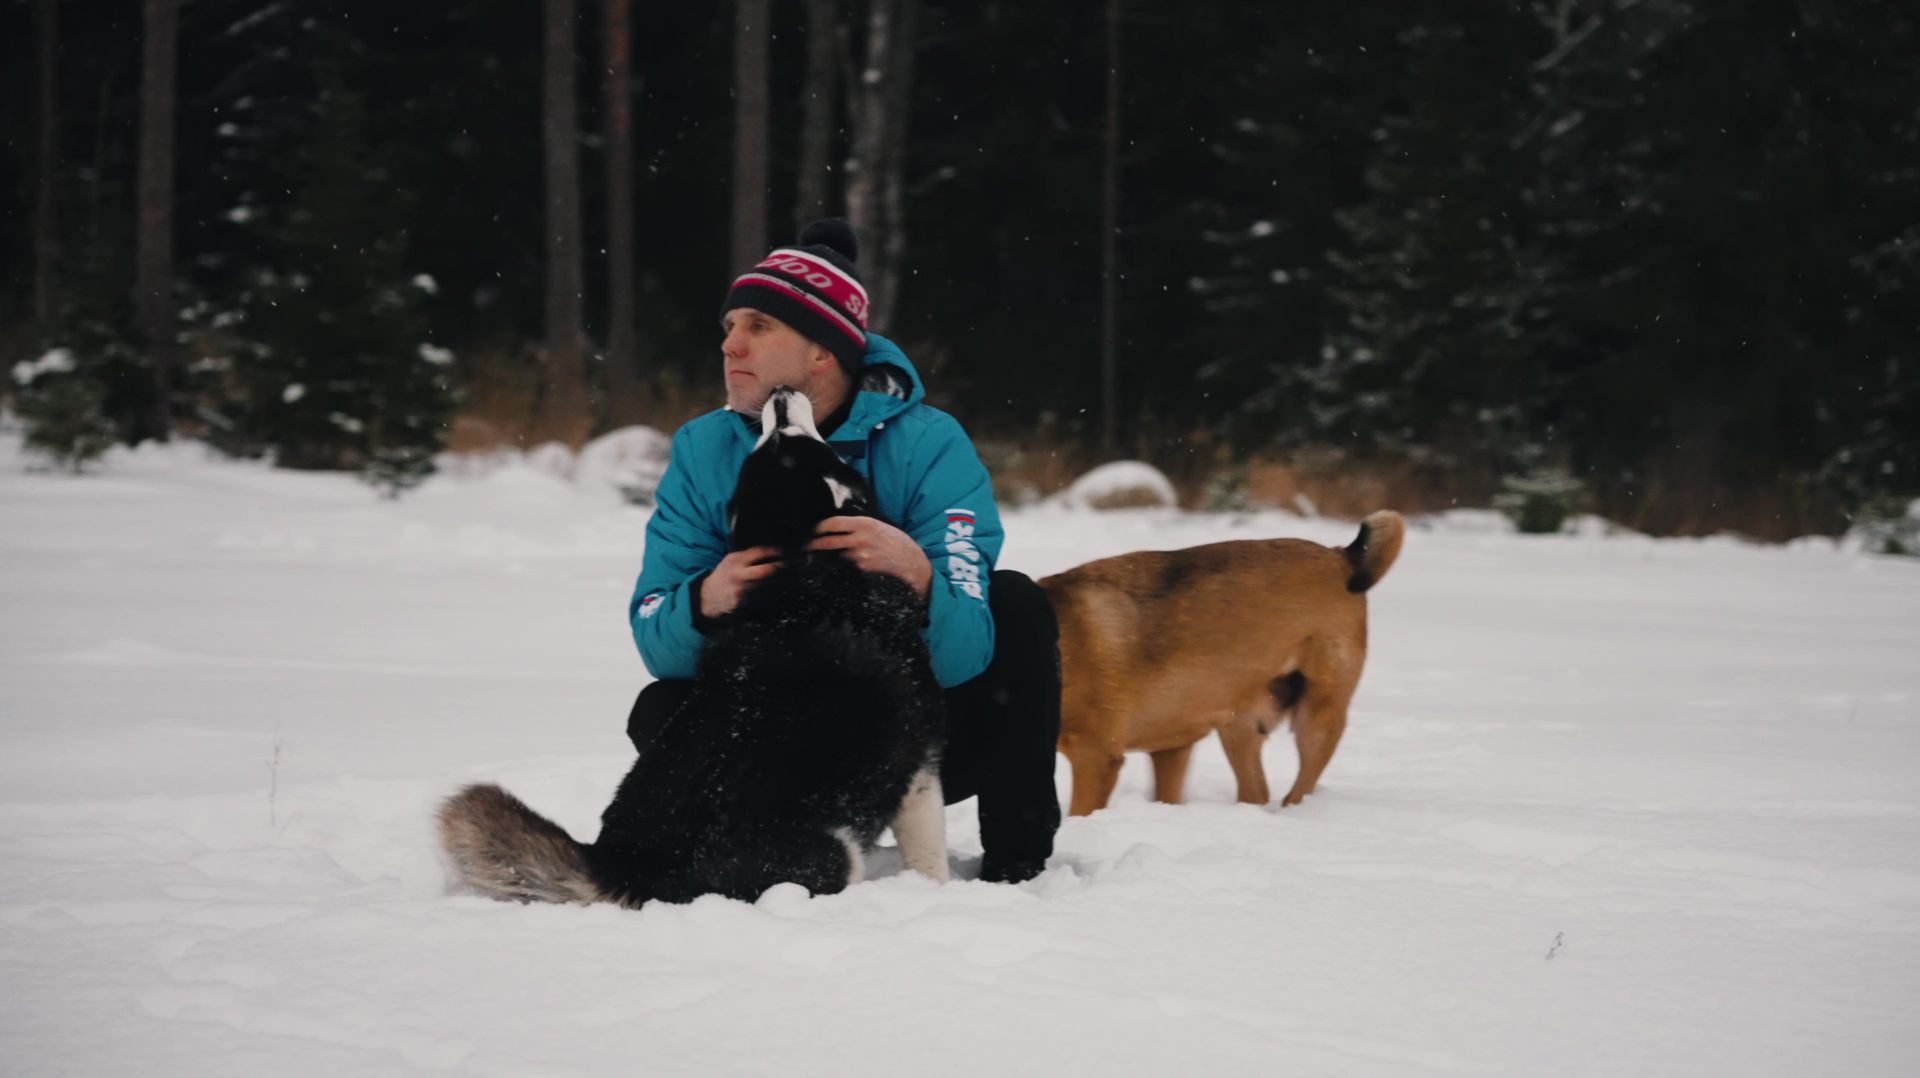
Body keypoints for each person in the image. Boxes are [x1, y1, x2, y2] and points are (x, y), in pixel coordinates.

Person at [625, 218, 1060, 884]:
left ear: (822, 353)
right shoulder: (702, 449)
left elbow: (969, 647)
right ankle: (757, 859)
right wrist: (702, 602)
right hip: (788, 746)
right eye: (730, 326)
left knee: (1016, 603)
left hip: (923, 738)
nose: (731, 344)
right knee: (661, 708)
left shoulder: (929, 444)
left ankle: (1018, 862)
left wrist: (920, 578)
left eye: (759, 327)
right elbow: (658, 639)